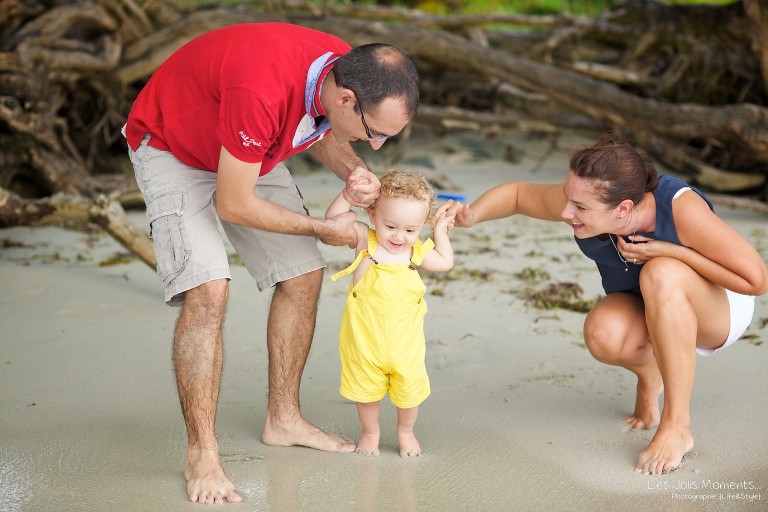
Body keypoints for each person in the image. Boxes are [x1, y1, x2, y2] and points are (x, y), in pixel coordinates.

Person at [123, 22, 419, 504]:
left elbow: (318, 127)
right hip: (171, 146)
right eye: (375, 134)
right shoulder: (261, 91)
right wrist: (323, 229)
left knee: (303, 274)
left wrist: (355, 170)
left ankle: (284, 419)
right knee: (209, 291)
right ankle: (202, 455)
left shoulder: (343, 67)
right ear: (346, 99)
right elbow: (234, 204)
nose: (378, 146)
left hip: (245, 149)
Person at [446, 136, 768, 475]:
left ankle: (677, 426)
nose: (566, 212)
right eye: (569, 199)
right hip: (650, 302)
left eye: (580, 208)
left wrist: (671, 251)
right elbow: (518, 195)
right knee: (604, 333)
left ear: (624, 209)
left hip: (720, 307)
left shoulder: (680, 208)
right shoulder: (586, 195)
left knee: (661, 272)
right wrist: (472, 215)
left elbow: (756, 282)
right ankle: (651, 370)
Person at [326, 171, 455, 457]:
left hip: (405, 346)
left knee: (409, 394)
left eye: (410, 230)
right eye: (390, 226)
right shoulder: (365, 239)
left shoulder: (415, 252)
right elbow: (333, 223)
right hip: (365, 343)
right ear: (373, 215)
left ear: (421, 226)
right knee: (365, 394)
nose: (399, 236)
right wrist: (347, 197)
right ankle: (370, 433)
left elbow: (445, 262)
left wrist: (439, 233)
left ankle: (405, 432)